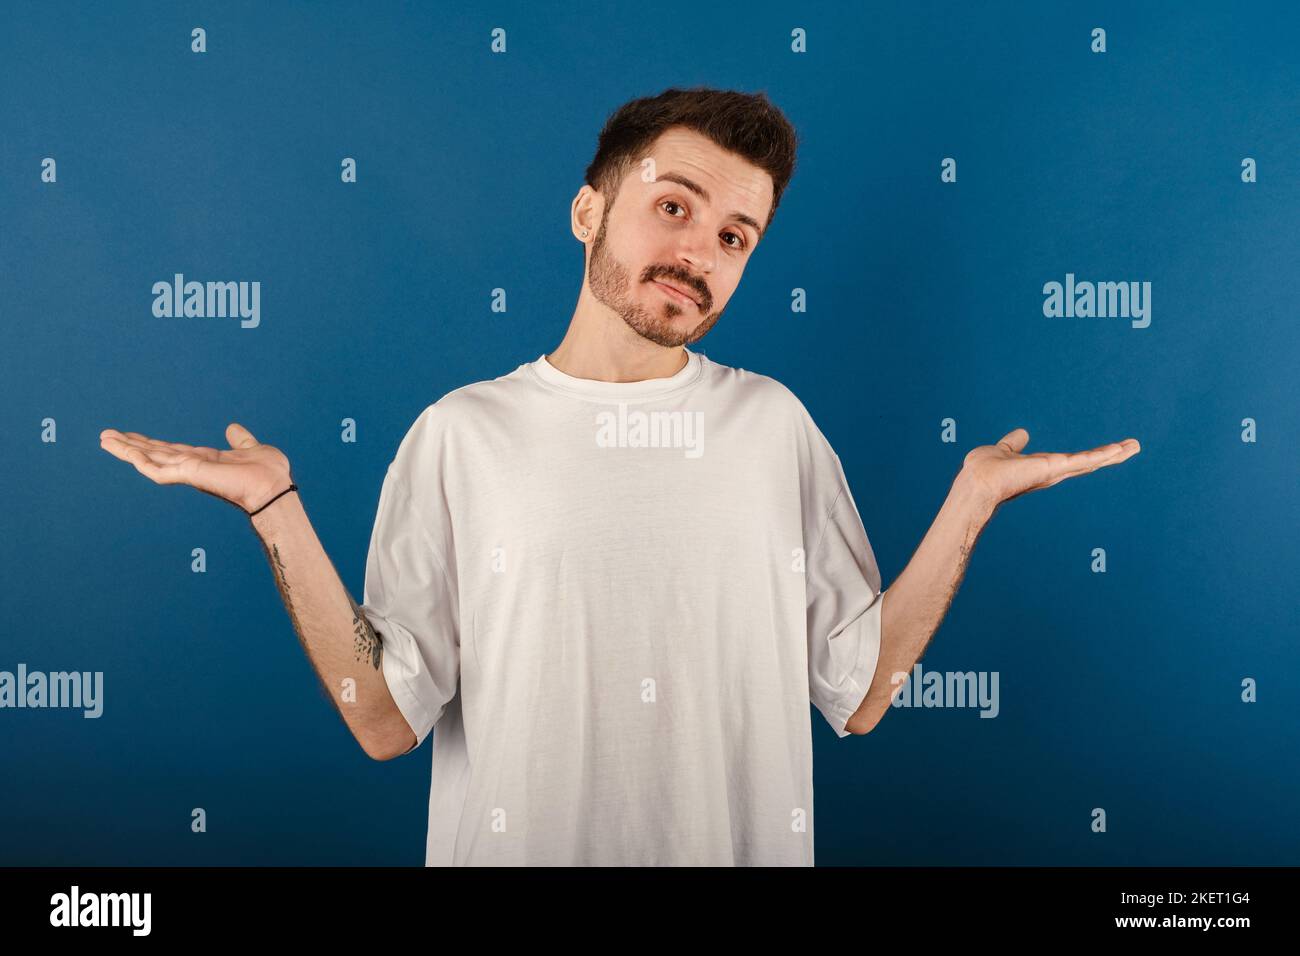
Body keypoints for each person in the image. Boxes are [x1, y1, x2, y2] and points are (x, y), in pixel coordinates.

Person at [99, 87, 1140, 866]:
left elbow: (858, 693)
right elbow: (382, 716)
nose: (701, 252)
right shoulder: (461, 435)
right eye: (674, 207)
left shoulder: (774, 428)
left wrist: (969, 505)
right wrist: (276, 511)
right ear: (588, 212)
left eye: (736, 235)